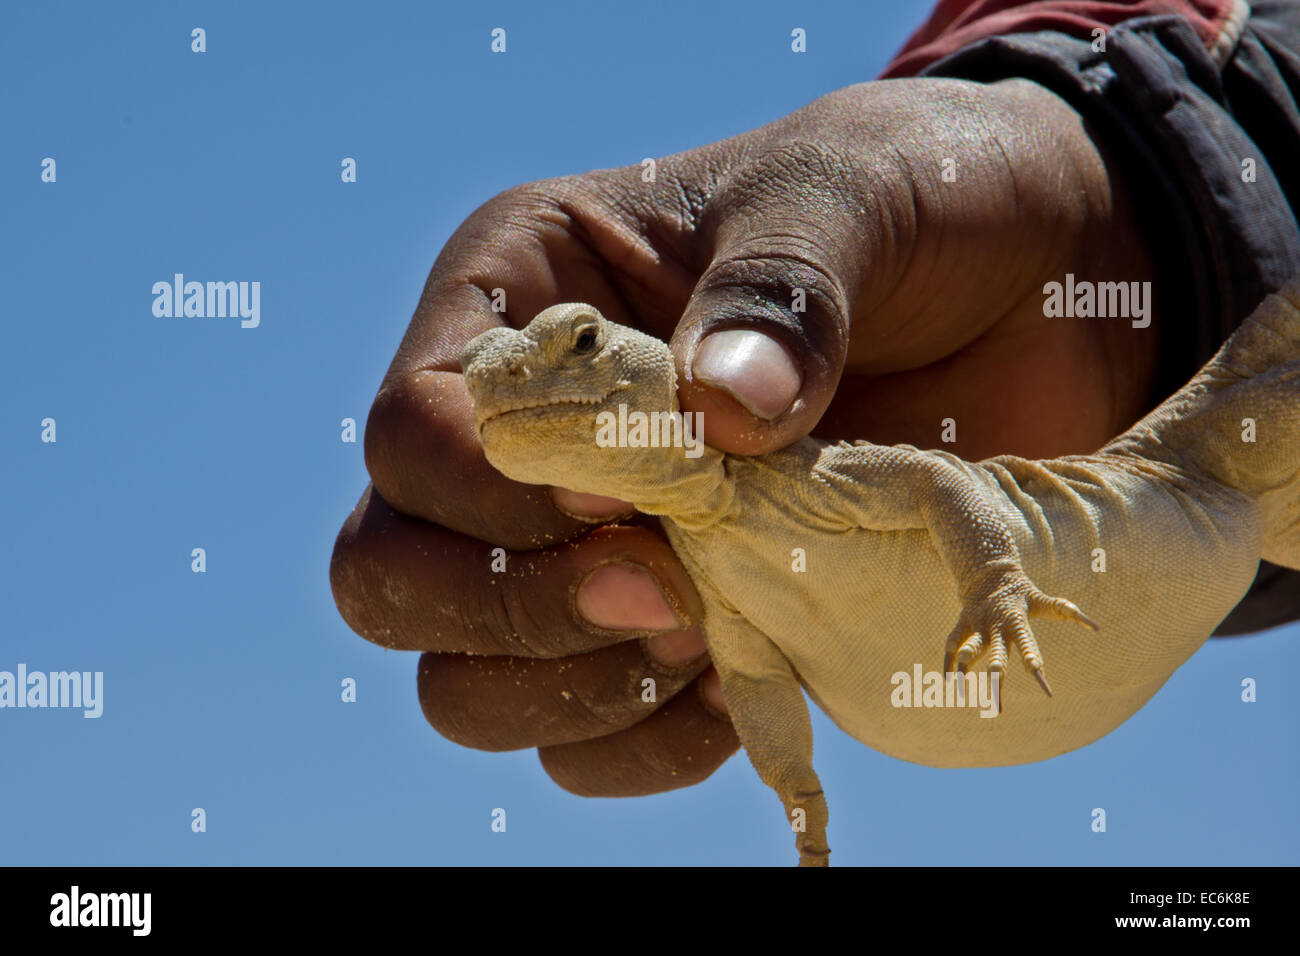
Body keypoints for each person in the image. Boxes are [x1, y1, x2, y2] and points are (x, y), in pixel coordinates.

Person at [330, 0, 1300, 798]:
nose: (506, 379)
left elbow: (932, 483)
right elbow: (754, 680)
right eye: (492, 376)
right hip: (1207, 529)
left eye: (578, 342)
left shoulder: (785, 471)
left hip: (1193, 467)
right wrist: (798, 794)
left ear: (658, 366)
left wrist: (995, 584)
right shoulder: (703, 569)